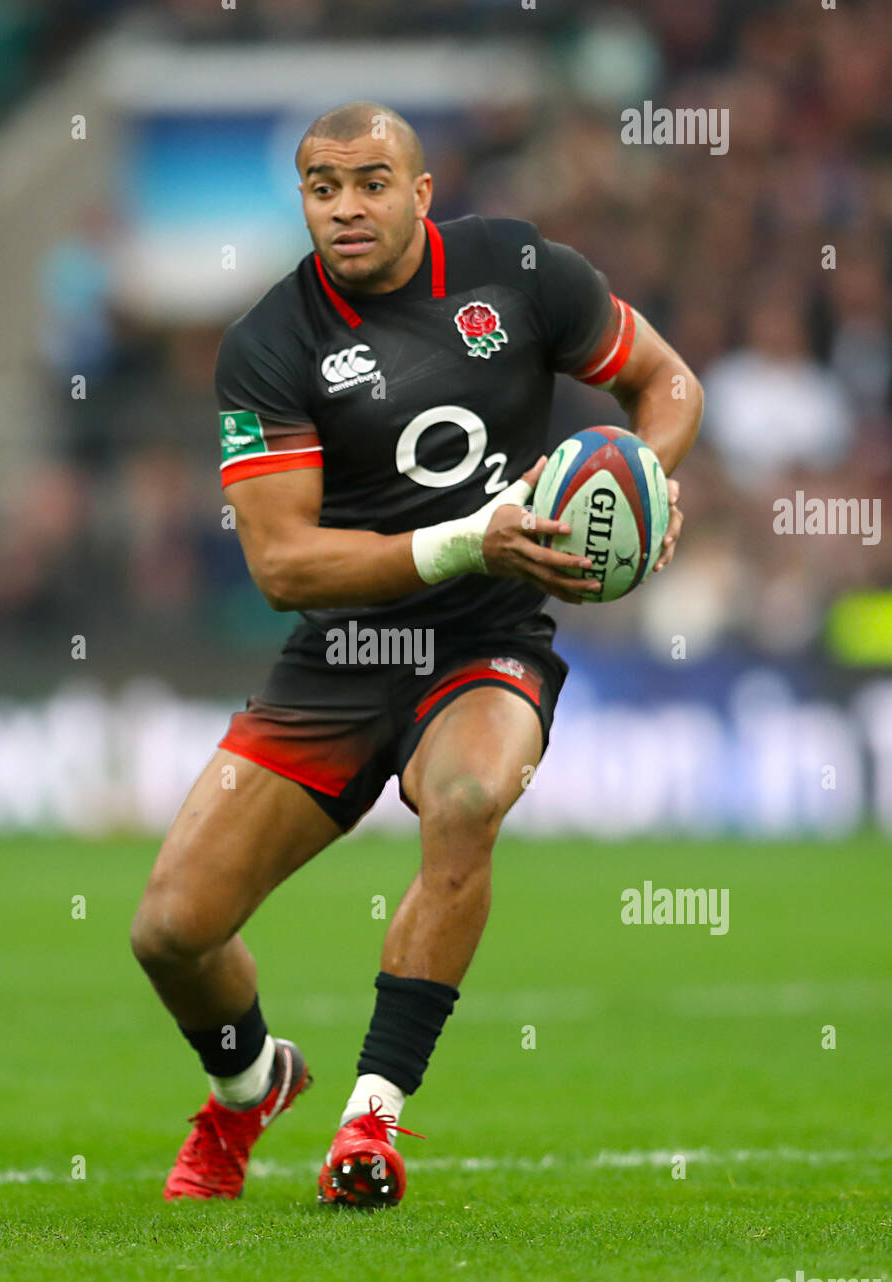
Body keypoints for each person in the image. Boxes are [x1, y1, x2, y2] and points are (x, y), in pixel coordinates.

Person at [130, 101, 702, 1207]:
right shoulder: (270, 342)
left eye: (371, 181)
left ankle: (372, 1120)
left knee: (471, 792)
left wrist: (649, 476)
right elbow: (286, 566)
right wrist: (468, 535)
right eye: (322, 186)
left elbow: (669, 384)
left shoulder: (522, 269)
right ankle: (250, 1085)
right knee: (172, 930)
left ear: (422, 191)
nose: (346, 207)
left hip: (491, 632)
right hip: (340, 655)